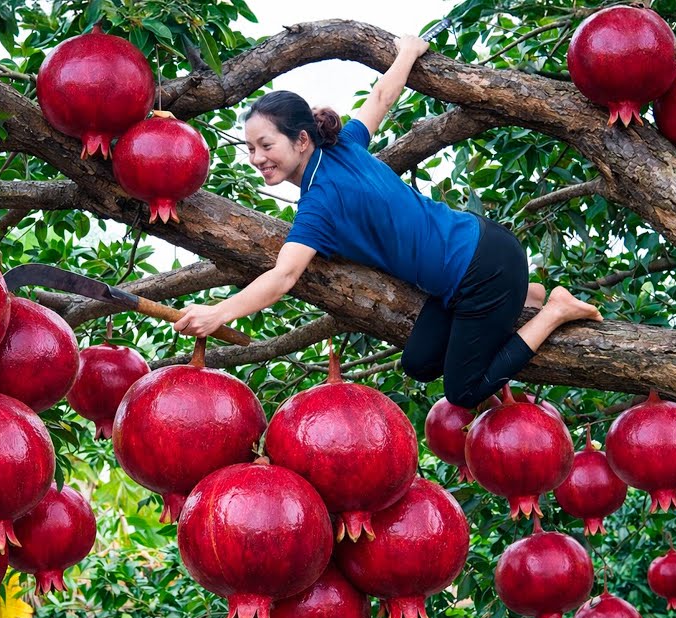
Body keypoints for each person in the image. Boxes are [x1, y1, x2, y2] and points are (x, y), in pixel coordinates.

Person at [171, 34, 602, 409]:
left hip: (481, 267)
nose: (256, 158)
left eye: (265, 145)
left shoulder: (321, 202)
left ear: (301, 140)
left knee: (464, 390)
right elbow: (381, 100)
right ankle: (523, 294)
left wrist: (218, 313)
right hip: (470, 258)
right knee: (418, 364)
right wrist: (407, 53)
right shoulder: (341, 145)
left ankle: (555, 309)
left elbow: (285, 276)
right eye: (250, 148)